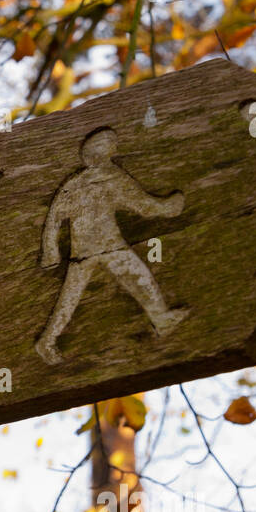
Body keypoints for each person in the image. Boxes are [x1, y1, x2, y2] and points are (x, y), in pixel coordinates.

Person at [36, 127, 187, 365]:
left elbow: (54, 218)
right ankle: (46, 341)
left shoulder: (75, 183)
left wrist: (50, 252)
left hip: (96, 248)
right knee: (76, 295)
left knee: (129, 278)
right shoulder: (108, 177)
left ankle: (161, 318)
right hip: (101, 248)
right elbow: (143, 205)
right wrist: (170, 207)